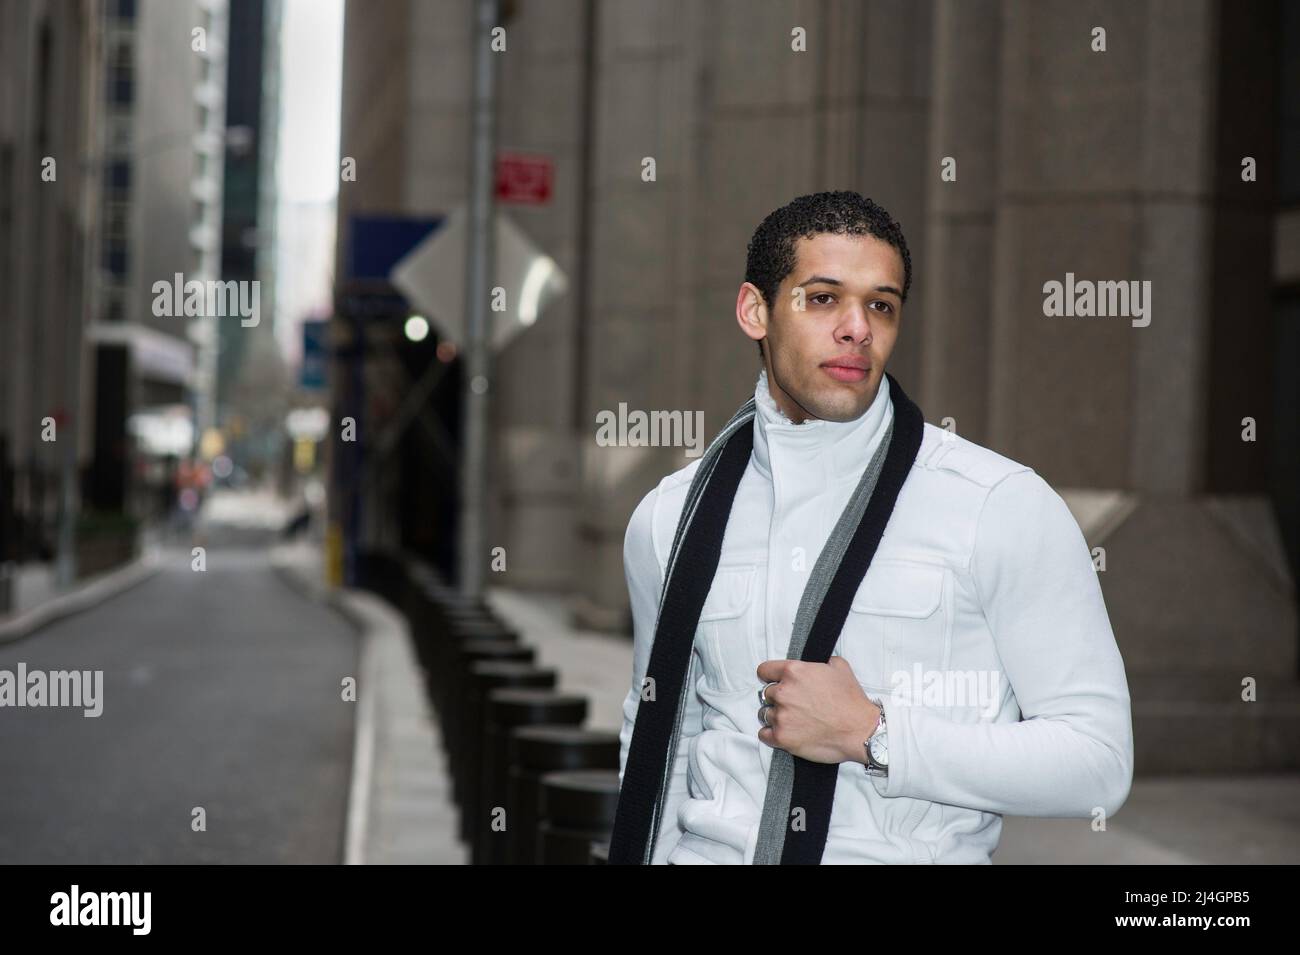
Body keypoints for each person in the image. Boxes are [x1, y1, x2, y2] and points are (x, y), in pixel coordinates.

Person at [612, 191, 1133, 865]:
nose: (857, 327)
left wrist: (875, 732)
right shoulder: (669, 519)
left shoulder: (999, 504)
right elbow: (661, 735)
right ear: (754, 311)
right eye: (823, 298)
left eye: (881, 305)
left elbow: (1098, 763)